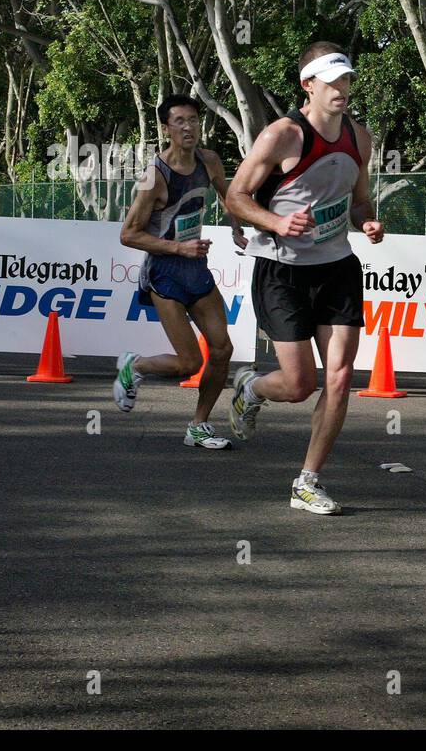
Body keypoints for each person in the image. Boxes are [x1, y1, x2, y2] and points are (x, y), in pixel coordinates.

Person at [224, 42, 384, 515]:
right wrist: (277, 222)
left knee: (340, 376)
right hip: (283, 271)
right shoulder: (282, 135)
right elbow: (236, 197)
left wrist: (367, 221)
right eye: (331, 81)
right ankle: (252, 388)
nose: (341, 89)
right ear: (308, 85)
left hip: (337, 268)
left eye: (346, 79)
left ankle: (307, 482)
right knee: (298, 385)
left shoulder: (359, 137)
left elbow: (359, 199)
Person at [113, 94, 247, 449]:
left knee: (222, 350)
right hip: (165, 274)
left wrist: (236, 226)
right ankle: (135, 366)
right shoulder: (154, 176)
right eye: (180, 122)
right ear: (166, 129)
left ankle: (198, 426)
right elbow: (128, 235)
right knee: (189, 362)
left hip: (196, 269)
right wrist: (178, 247)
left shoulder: (209, 160)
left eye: (193, 120)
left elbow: (229, 196)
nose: (189, 128)